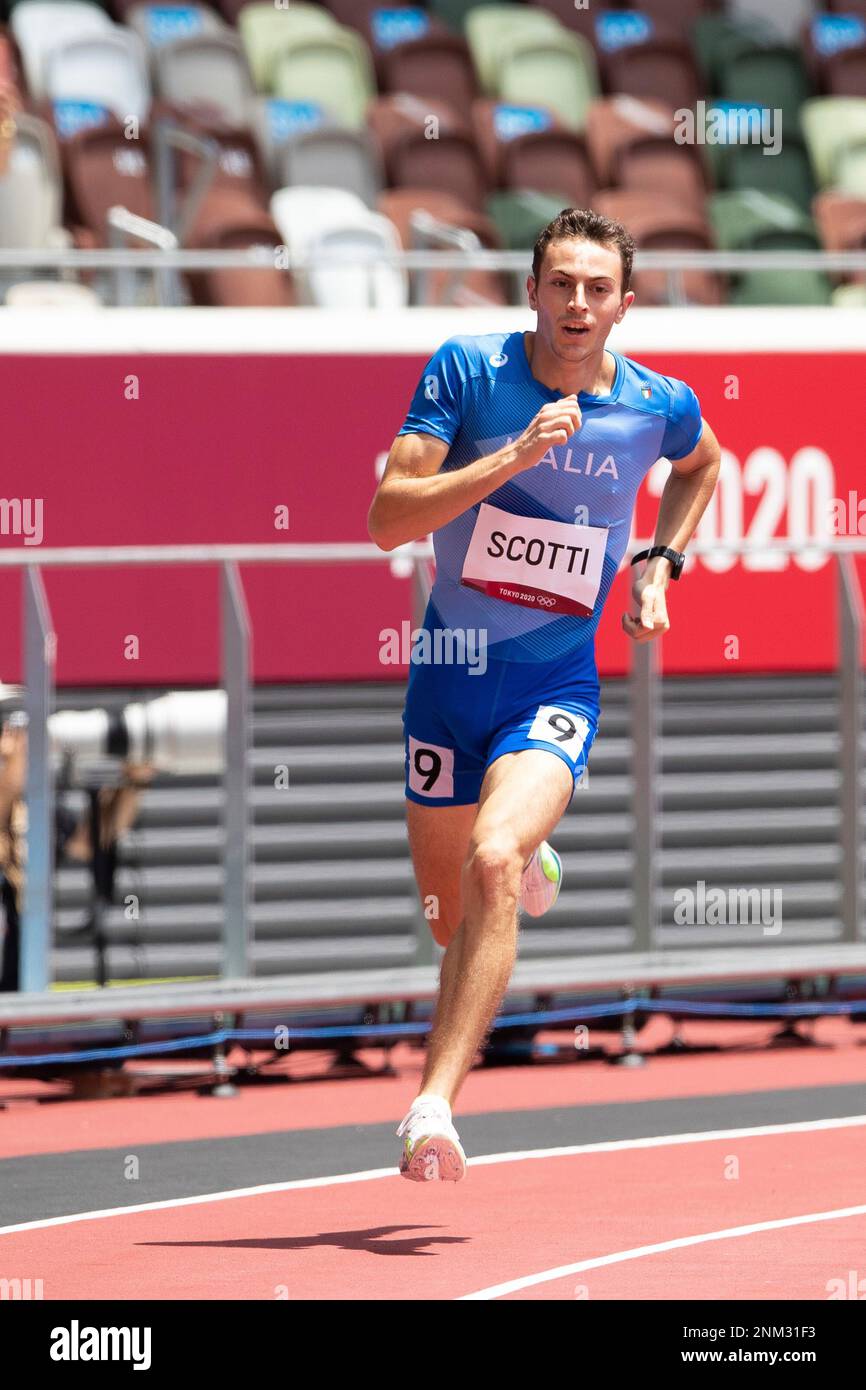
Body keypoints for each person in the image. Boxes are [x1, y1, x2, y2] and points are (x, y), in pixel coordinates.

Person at [367, 207, 721, 1182]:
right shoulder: (466, 371)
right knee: (449, 920)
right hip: (445, 688)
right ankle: (527, 855)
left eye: (595, 287)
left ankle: (432, 1105)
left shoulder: (656, 403)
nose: (575, 303)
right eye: (558, 283)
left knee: (489, 863)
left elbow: (701, 463)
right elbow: (386, 519)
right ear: (529, 291)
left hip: (552, 687)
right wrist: (512, 457)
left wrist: (658, 562)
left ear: (624, 303)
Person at [0, 710, 150, 992]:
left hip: (20, 987)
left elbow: (90, 842)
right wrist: (19, 755)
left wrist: (132, 784)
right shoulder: (9, 800)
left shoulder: (38, 814)